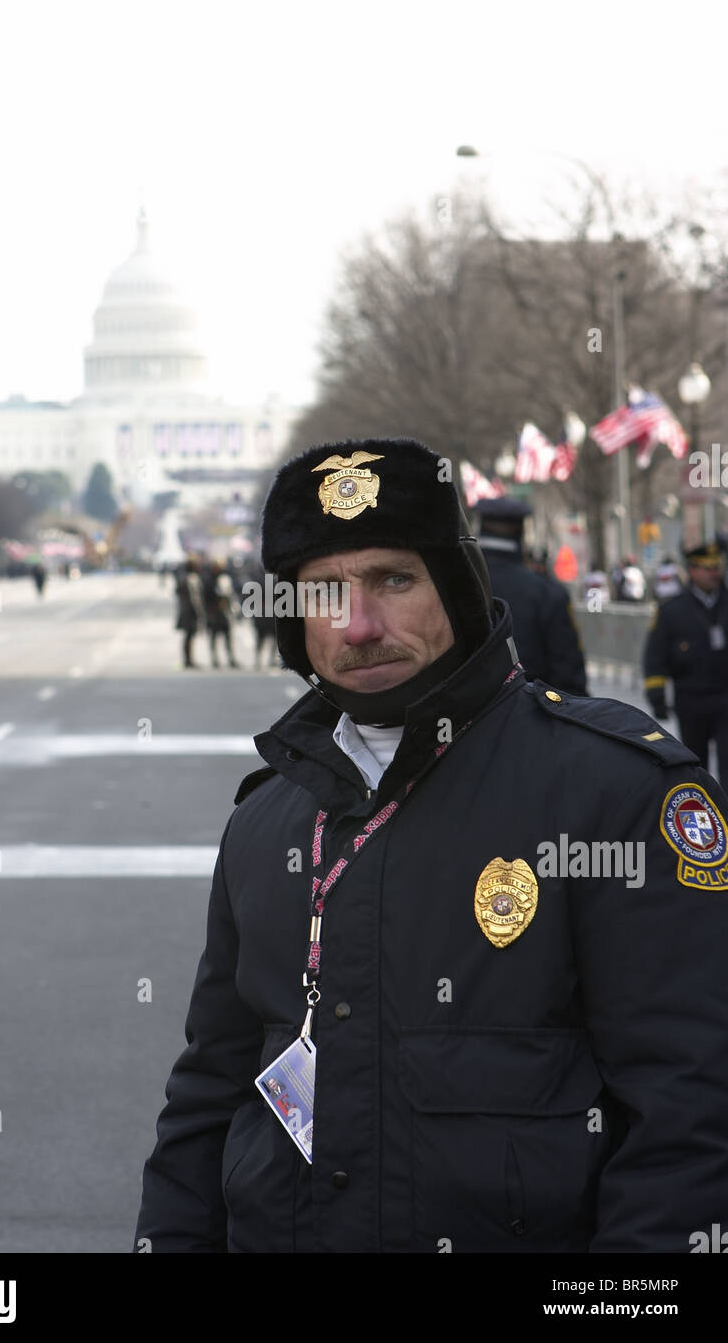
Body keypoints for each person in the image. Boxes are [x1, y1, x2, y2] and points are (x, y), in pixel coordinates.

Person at [134, 438, 728, 1254]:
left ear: (455, 588)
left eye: (393, 580)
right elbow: (206, 1104)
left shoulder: (615, 793)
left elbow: (692, 1114)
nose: (358, 624)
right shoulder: (264, 821)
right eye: (323, 591)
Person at [475, 497, 587, 695]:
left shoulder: (453, 584)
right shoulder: (547, 592)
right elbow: (567, 667)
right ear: (521, 533)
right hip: (532, 709)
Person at [644, 541, 728, 779]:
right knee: (695, 766)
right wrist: (656, 695)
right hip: (691, 699)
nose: (714, 573)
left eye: (716, 567)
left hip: (725, 698)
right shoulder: (672, 610)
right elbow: (655, 655)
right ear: (692, 570)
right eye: (707, 568)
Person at [201, 558, 240, 669]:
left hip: (224, 612)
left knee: (228, 637)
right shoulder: (209, 579)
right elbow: (206, 596)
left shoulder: (225, 578)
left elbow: (230, 594)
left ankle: (231, 659)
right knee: (214, 637)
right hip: (214, 612)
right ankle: (215, 659)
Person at [174, 556, 205, 669]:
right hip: (189, 612)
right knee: (189, 636)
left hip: (188, 611)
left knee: (189, 636)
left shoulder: (186, 578)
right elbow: (195, 599)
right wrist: (199, 613)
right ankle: (188, 660)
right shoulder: (190, 578)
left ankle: (189, 659)